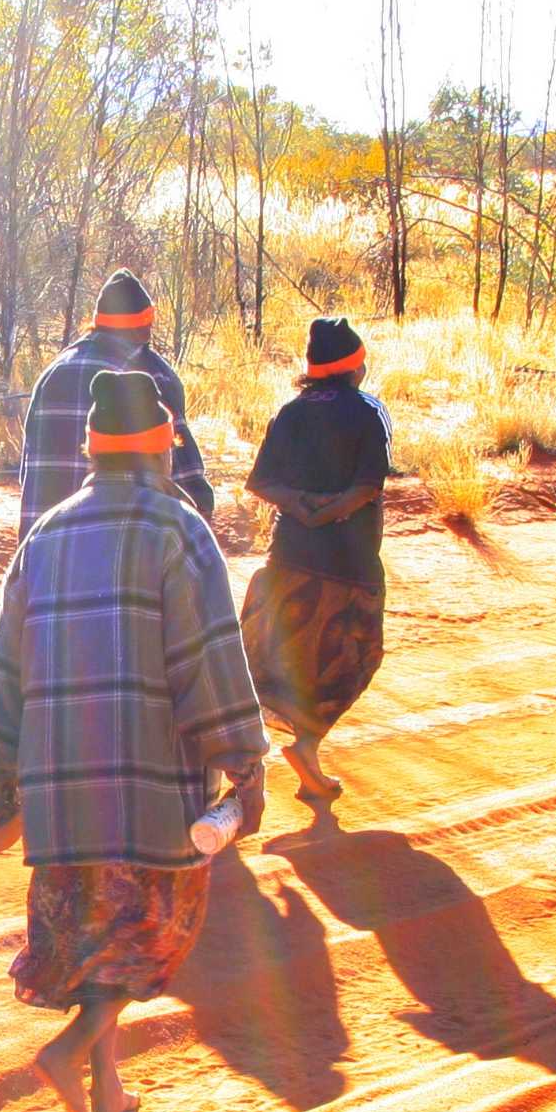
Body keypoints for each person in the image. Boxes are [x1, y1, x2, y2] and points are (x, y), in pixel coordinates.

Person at [0, 369, 270, 1112]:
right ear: (162, 447)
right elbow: (207, 658)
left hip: (63, 796)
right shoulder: (179, 530)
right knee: (147, 934)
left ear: (90, 452)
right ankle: (73, 1054)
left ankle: (108, 1100)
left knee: (92, 939)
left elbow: (2, 663)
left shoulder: (47, 536)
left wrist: (5, 767)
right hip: (150, 790)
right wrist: (243, 765)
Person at [240, 316, 394, 798]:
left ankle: (234, 760)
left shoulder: (290, 411)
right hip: (350, 565)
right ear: (355, 368)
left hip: (289, 559)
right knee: (352, 657)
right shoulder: (370, 412)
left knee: (271, 658)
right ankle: (307, 745)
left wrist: (301, 507)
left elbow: (260, 482)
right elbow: (369, 486)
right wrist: (331, 511)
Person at [17, 268, 217, 534]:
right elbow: (185, 475)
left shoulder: (52, 373)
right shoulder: (151, 374)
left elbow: (28, 473)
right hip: (122, 551)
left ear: (98, 322)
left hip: (46, 547)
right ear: (145, 328)